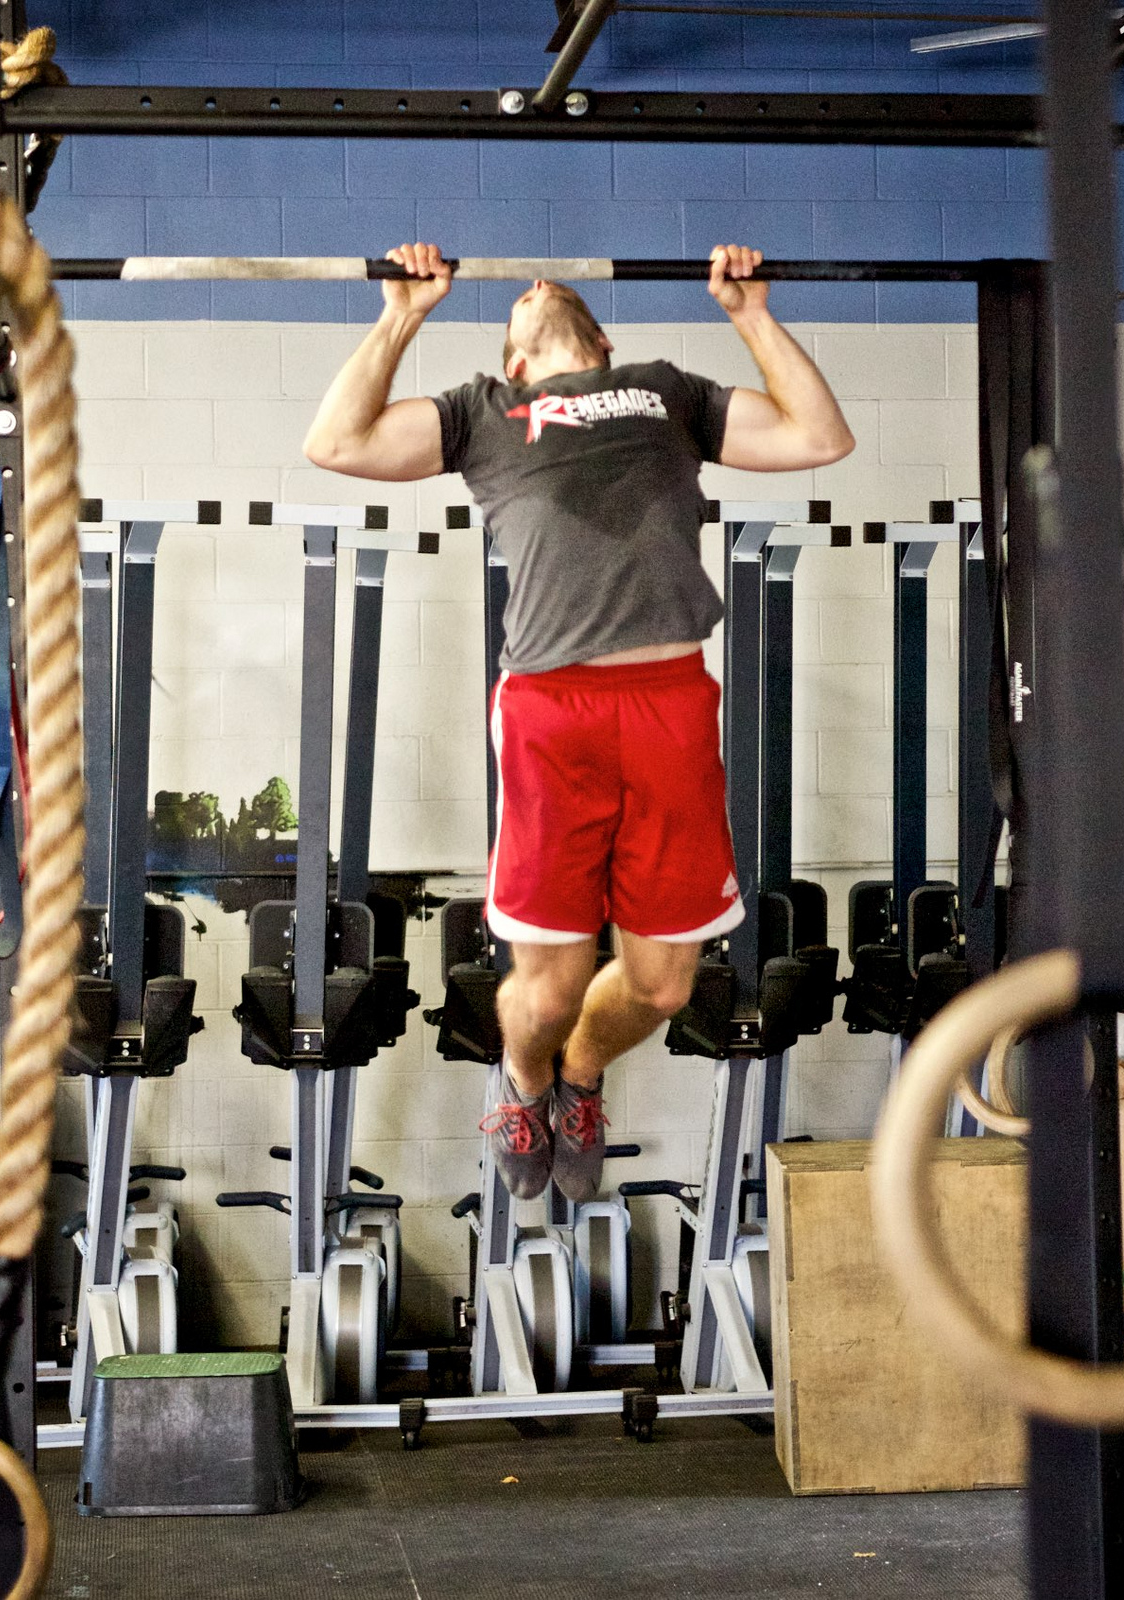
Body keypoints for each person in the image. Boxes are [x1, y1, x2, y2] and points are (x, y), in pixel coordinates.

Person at [304, 243, 853, 1204]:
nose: (533, 285)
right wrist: (402, 314)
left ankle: (583, 1074)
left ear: (602, 343)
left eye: (548, 292)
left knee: (663, 986)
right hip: (552, 714)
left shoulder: (666, 394)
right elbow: (339, 444)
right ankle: (523, 1080)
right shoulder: (486, 411)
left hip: (670, 703)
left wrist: (750, 314)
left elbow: (819, 437)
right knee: (549, 988)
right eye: (518, 303)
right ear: (515, 359)